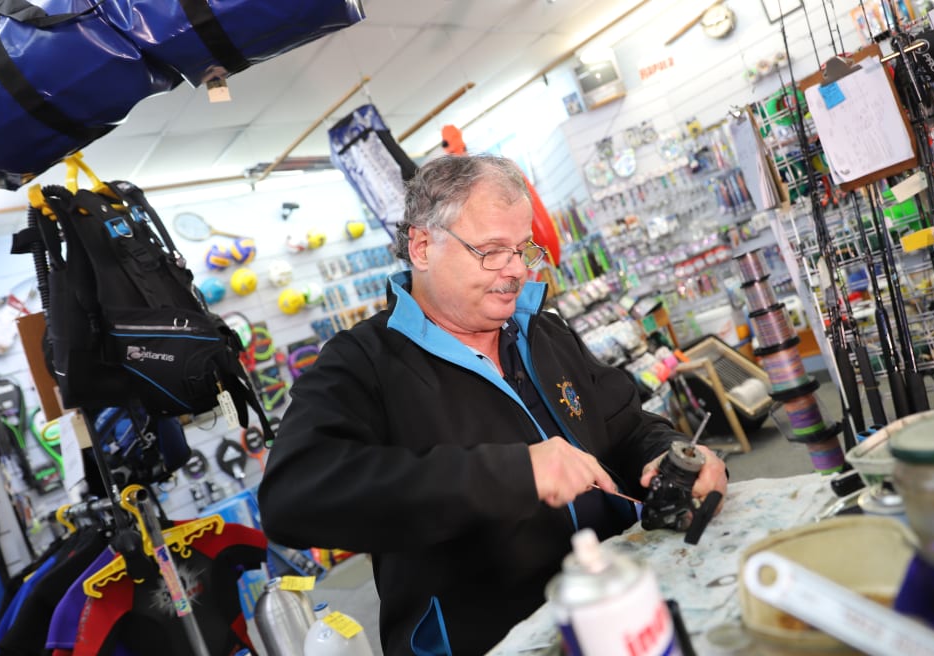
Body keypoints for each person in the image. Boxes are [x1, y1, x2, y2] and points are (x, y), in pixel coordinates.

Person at [259, 154, 728, 655]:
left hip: (620, 609)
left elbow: (628, 425)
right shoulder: (360, 363)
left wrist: (674, 455)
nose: (515, 272)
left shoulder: (542, 331)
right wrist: (514, 473)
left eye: (522, 249)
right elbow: (294, 496)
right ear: (421, 246)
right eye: (491, 251)